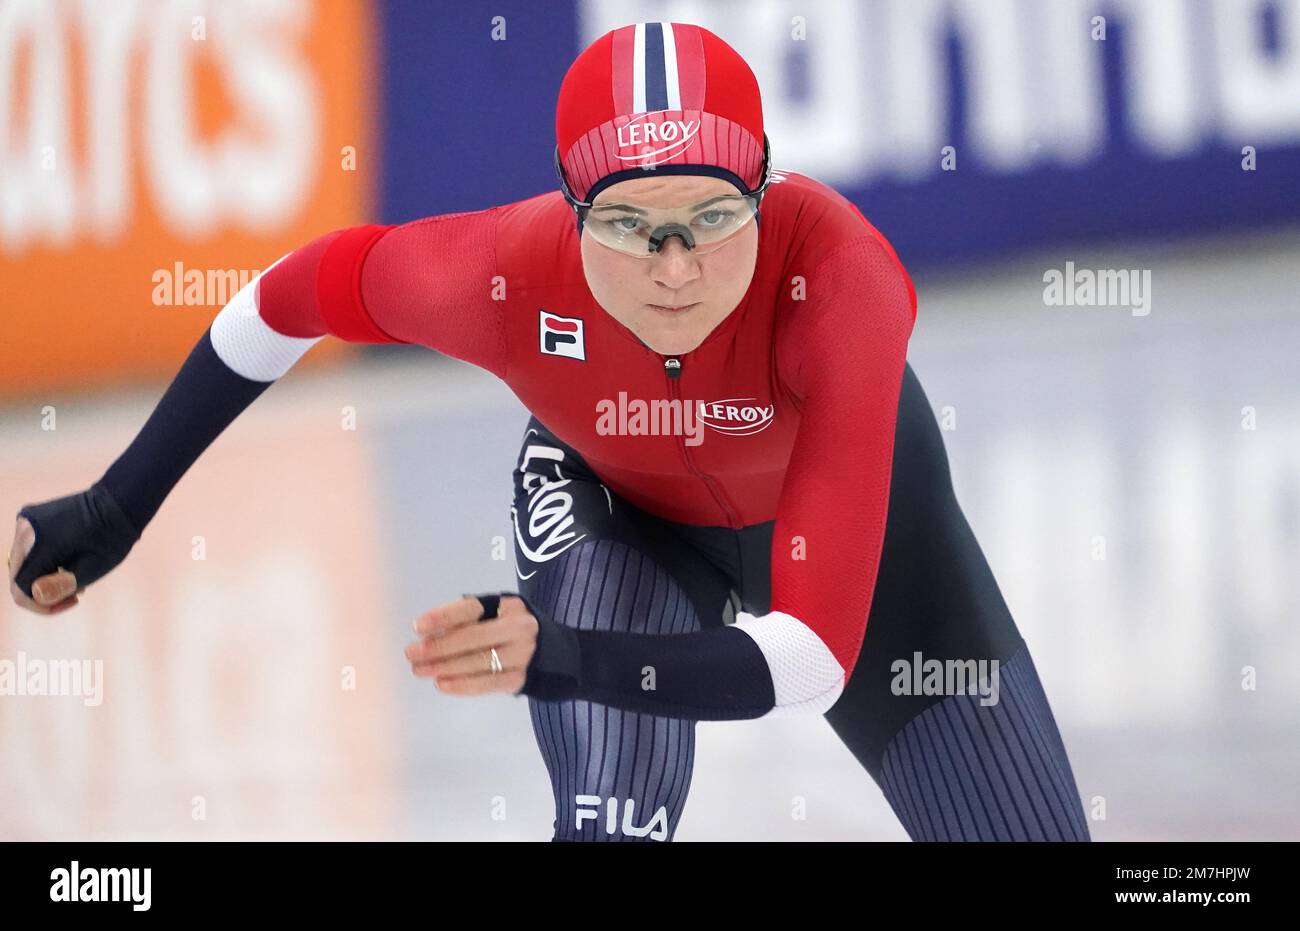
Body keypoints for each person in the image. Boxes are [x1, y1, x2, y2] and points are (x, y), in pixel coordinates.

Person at [9, 21, 1089, 842]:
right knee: (616, 807)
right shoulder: (494, 272)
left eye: (713, 218)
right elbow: (284, 303)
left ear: (765, 191)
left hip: (866, 536)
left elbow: (809, 658)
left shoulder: (844, 279)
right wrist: (118, 505)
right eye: (629, 225)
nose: (676, 270)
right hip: (620, 517)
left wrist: (565, 658)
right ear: (571, 217)